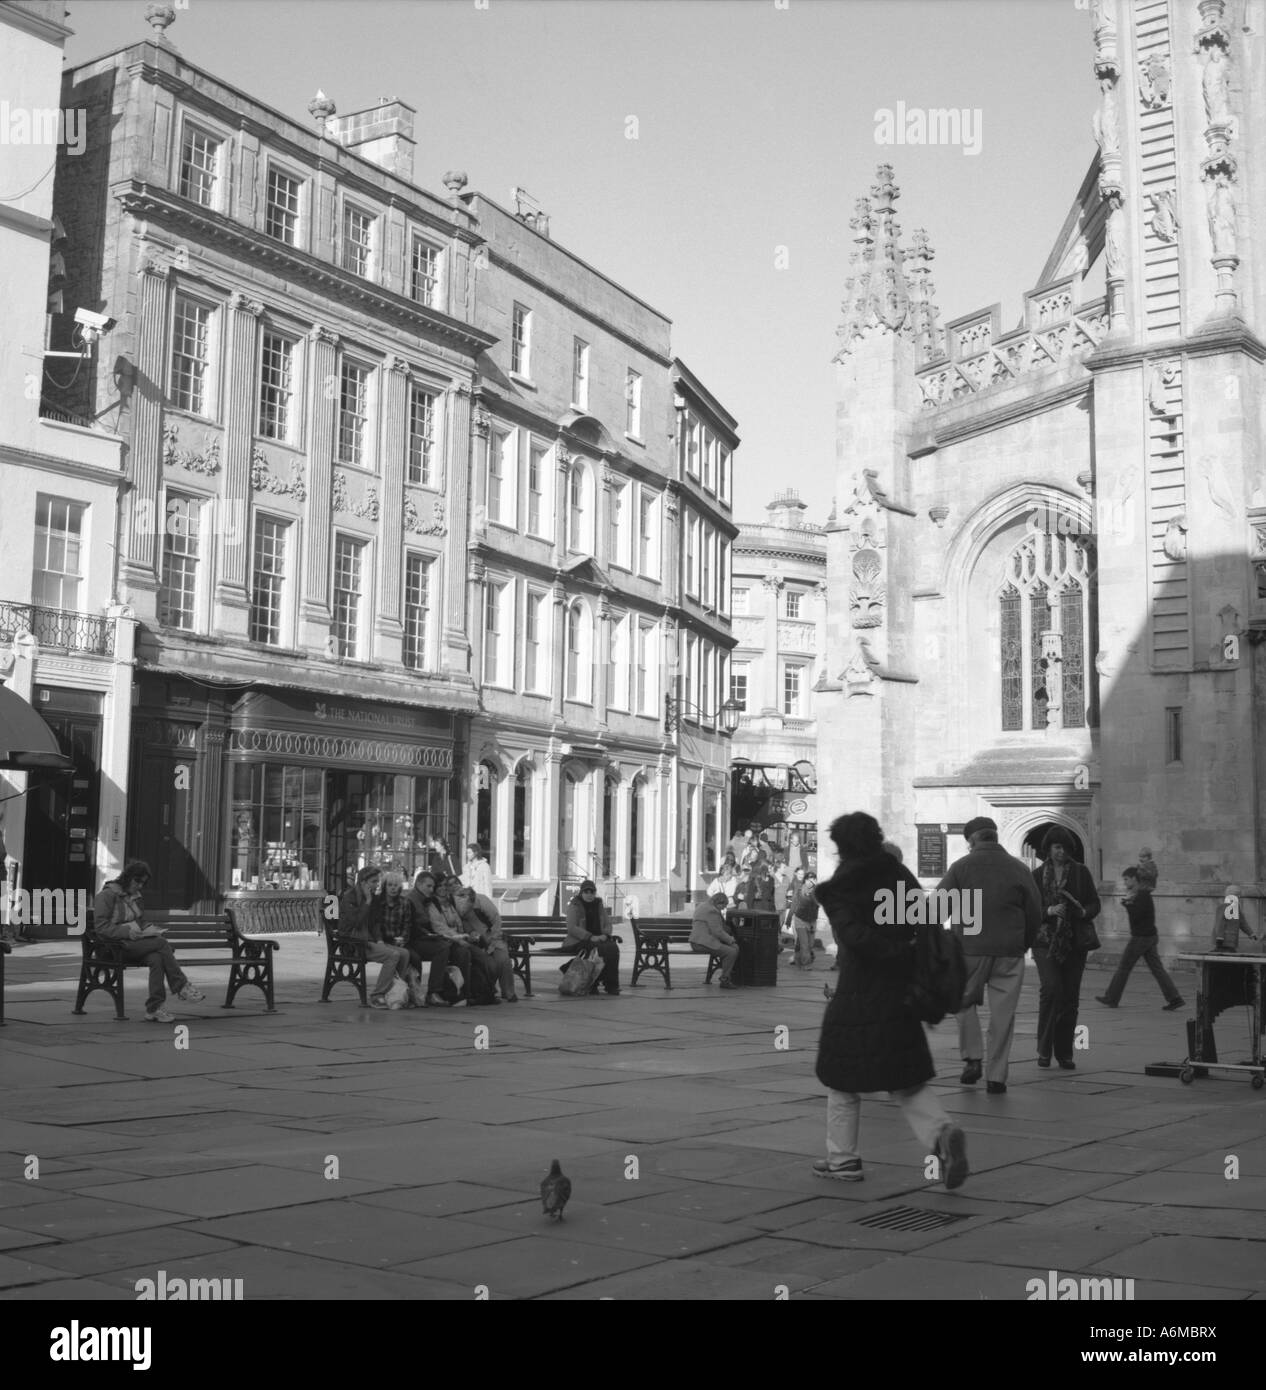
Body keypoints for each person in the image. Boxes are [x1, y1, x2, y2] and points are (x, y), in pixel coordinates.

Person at [813, 812, 968, 1188]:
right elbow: (927, 924)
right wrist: (909, 954)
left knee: (841, 1080)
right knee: (906, 1078)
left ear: (842, 847)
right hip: (902, 993)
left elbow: (855, 939)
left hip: (858, 992)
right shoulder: (898, 876)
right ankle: (940, 1133)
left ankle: (843, 1159)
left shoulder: (841, 888)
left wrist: (890, 951)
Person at [937, 817, 1043, 1094]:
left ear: (972, 841)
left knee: (962, 1002)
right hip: (1009, 951)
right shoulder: (1020, 869)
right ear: (995, 837)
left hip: (970, 950)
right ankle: (996, 1076)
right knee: (1003, 1015)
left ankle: (973, 1057)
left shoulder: (961, 867)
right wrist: (1023, 943)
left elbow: (937, 910)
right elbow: (1035, 913)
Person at [92, 860, 205, 1022]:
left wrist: (150, 929)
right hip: (113, 948)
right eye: (137, 881)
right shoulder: (106, 896)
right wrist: (126, 932)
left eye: (143, 883)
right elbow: (101, 927)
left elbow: (140, 921)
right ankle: (181, 986)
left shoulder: (136, 897)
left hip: (134, 945)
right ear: (127, 877)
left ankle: (154, 1008)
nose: (140, 886)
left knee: (157, 958)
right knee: (161, 944)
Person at [1032, 827, 1101, 1070]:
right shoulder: (1037, 874)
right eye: (1056, 847)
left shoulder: (1081, 873)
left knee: (1070, 998)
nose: (1061, 851)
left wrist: (1084, 911)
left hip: (1074, 942)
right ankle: (1043, 1049)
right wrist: (1048, 911)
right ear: (1049, 849)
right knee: (1051, 991)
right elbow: (1028, 909)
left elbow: (1094, 902)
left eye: (1064, 847)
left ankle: (1064, 1053)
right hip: (1044, 941)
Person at [1096, 866, 1184, 1011]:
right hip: (1148, 937)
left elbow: (1137, 916)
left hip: (1141, 938)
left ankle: (1112, 997)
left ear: (1134, 879)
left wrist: (1126, 904)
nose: (1124, 883)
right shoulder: (1141, 894)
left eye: (1126, 879)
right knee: (1157, 970)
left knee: (1124, 967)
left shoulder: (1142, 895)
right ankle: (1175, 998)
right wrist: (1129, 902)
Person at [338, 865, 410, 1009]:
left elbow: (375, 924)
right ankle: (377, 996)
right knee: (393, 955)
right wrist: (368, 902)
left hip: (370, 941)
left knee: (404, 954)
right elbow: (356, 923)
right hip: (354, 943)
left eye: (377, 881)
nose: (377, 885)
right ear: (363, 882)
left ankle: (393, 992)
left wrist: (380, 940)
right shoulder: (349, 897)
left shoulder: (374, 899)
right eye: (374, 881)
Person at [406, 870, 472, 1006]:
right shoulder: (412, 900)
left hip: (428, 937)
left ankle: (459, 992)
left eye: (432, 887)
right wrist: (434, 935)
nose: (431, 890)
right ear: (418, 884)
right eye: (428, 886)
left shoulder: (426, 899)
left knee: (461, 951)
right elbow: (413, 927)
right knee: (442, 948)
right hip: (415, 940)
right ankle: (434, 992)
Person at [453, 884, 517, 1002]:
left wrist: (491, 943)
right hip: (472, 938)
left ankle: (509, 992)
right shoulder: (456, 904)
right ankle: (488, 991)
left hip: (492, 936)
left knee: (502, 959)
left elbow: (496, 922)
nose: (463, 912)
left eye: (466, 909)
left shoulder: (483, 902)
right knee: (485, 961)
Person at [562, 879, 620, 995]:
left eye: (592, 892)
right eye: (586, 892)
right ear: (581, 893)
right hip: (578, 940)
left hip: (598, 939)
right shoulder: (575, 905)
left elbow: (608, 924)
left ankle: (611, 985)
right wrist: (589, 936)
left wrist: (605, 934)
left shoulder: (598, 905)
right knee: (596, 950)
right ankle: (593, 984)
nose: (589, 895)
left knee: (613, 948)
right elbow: (572, 927)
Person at [690, 891, 739, 989]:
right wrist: (731, 940)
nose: (724, 908)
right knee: (731, 952)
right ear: (718, 903)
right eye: (724, 905)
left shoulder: (703, 906)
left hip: (697, 941)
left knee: (733, 948)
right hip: (702, 943)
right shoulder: (712, 911)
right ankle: (725, 979)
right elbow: (717, 932)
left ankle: (728, 975)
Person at [1210, 882, 1259, 953]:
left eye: (1239, 896)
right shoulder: (1222, 907)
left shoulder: (1237, 909)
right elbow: (1220, 923)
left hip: (1232, 940)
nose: (1239, 898)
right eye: (1238, 896)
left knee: (1231, 954)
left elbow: (1243, 923)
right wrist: (1219, 937)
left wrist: (1251, 933)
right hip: (1222, 940)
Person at [789, 871, 820, 969]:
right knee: (804, 944)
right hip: (800, 920)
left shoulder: (817, 892)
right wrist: (789, 918)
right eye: (809, 879)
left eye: (813, 879)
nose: (811, 881)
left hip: (812, 921)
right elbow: (795, 904)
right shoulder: (800, 891)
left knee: (810, 944)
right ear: (805, 880)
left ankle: (797, 958)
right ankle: (805, 964)